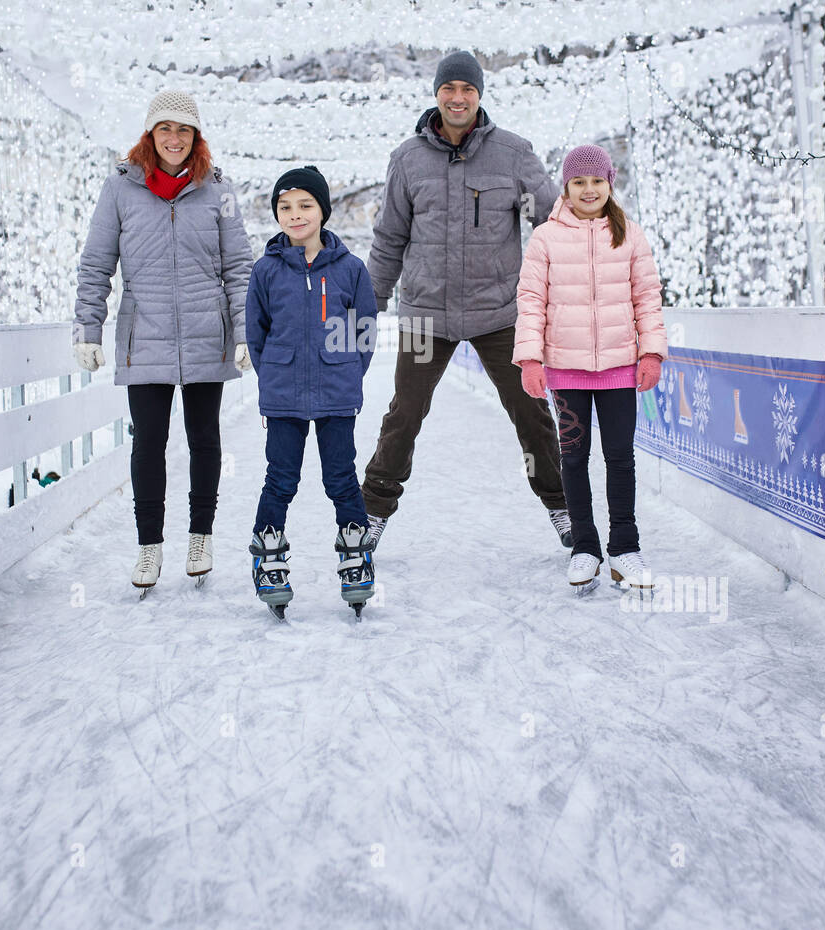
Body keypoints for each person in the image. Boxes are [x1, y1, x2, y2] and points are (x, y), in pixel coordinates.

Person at [361, 49, 572, 549]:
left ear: (479, 95)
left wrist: (568, 287)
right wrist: (369, 303)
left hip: (499, 312)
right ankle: (371, 512)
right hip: (425, 314)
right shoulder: (407, 159)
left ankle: (563, 507)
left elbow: (554, 222)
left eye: (468, 90)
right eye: (449, 89)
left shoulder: (514, 153)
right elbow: (389, 237)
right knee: (404, 414)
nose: (458, 98)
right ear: (437, 94)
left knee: (530, 412)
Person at [72, 89, 254, 592]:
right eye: (165, 129)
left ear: (197, 138)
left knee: (204, 439)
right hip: (144, 334)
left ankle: (200, 536)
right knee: (148, 441)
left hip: (204, 333)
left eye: (184, 130)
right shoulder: (120, 188)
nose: (174, 138)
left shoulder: (220, 190)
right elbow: (96, 263)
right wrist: (88, 327)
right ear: (150, 134)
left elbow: (239, 267)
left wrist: (243, 332)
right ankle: (149, 547)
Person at [513, 143, 668, 590]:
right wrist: (530, 359)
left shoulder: (629, 234)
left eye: (597, 181)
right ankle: (585, 547)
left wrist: (652, 352)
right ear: (566, 185)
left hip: (620, 364)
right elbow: (531, 302)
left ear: (610, 183)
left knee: (620, 458)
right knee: (574, 457)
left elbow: (647, 297)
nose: (588, 189)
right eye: (579, 182)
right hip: (566, 369)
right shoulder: (546, 237)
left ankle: (625, 548)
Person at [244, 166, 378, 618]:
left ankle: (356, 554)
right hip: (282, 396)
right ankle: (269, 557)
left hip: (337, 392)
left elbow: (365, 332)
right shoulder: (265, 271)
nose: (295, 215)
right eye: (285, 207)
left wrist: (347, 374)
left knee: (340, 477)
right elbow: (256, 336)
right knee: (281, 479)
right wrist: (274, 377)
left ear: (323, 210)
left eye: (305, 205)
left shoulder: (350, 269)